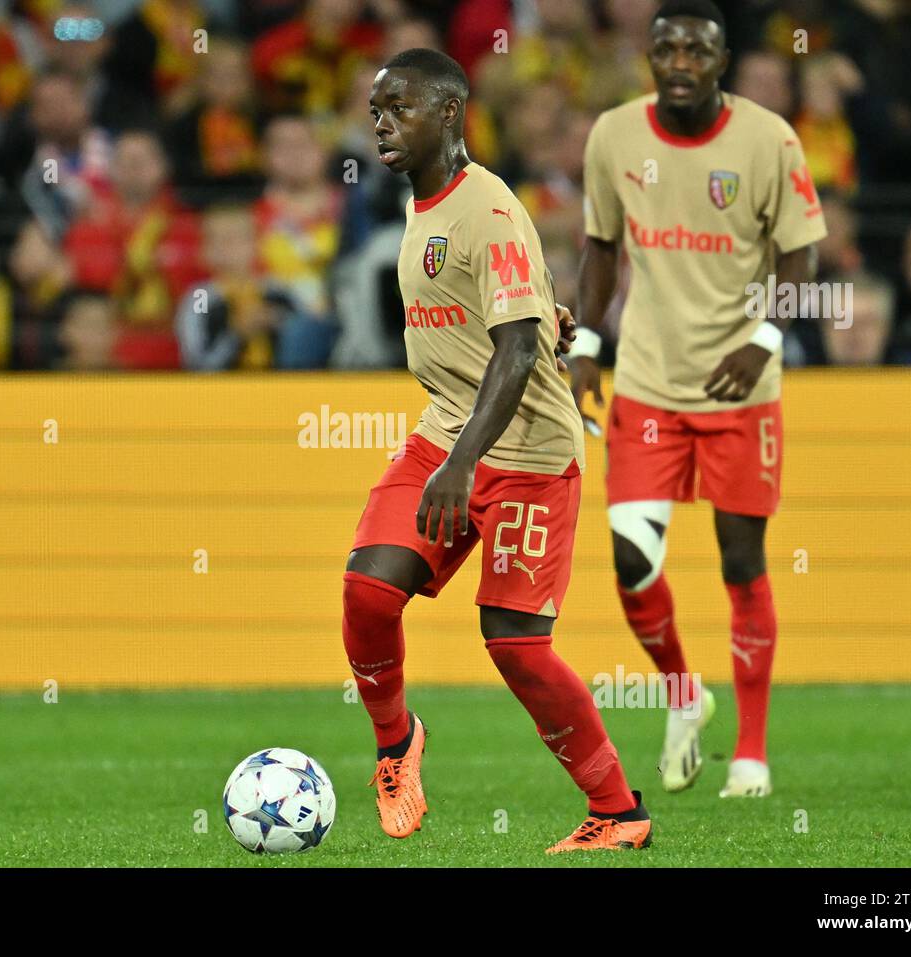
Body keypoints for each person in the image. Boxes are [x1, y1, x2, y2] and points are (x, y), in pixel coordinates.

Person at [344, 47, 651, 854]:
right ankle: (394, 744)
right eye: (376, 108)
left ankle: (618, 811)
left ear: (449, 113)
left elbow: (515, 352)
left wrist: (460, 464)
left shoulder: (486, 208)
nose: (381, 121)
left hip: (526, 452)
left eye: (399, 106)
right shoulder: (421, 205)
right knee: (367, 592)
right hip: (452, 423)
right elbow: (520, 312)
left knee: (515, 644)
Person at [566, 0, 827, 798]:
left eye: (697, 49)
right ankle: (683, 691)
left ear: (720, 62)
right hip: (647, 383)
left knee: (740, 561)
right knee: (630, 562)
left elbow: (800, 256)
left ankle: (751, 749)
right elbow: (601, 248)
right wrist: (584, 343)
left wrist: (765, 340)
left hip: (740, 389)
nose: (679, 60)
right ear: (650, 57)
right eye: (666, 47)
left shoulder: (767, 140)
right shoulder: (614, 135)